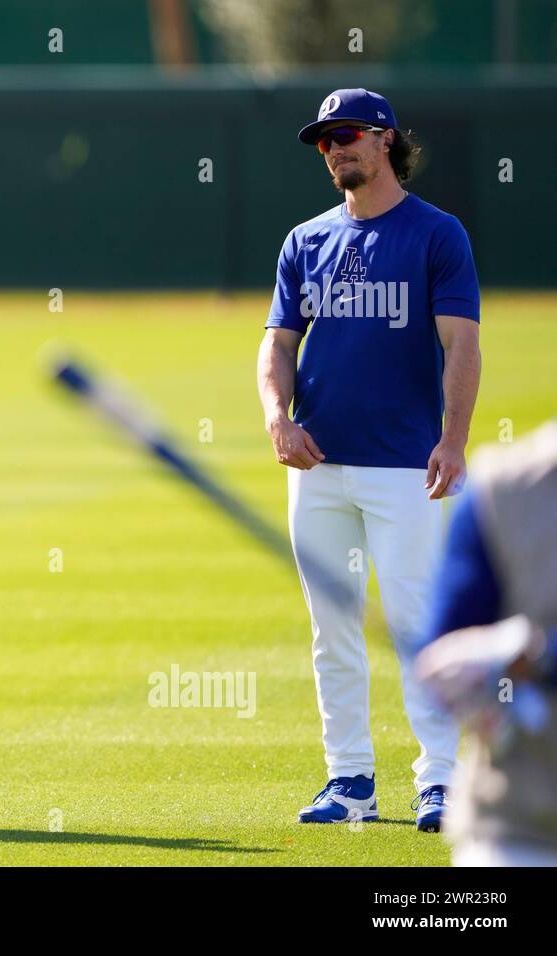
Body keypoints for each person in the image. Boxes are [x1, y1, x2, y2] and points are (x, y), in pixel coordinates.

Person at [255, 88, 481, 829]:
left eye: (347, 135)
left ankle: (441, 780)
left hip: (406, 467)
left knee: (419, 621)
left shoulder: (436, 234)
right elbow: (279, 344)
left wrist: (453, 437)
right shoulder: (304, 240)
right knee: (333, 628)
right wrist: (276, 419)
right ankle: (349, 779)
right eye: (324, 141)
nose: (335, 149)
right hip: (318, 466)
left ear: (386, 141)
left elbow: (462, 344)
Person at [415, 422, 557, 865]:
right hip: (520, 834)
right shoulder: (502, 488)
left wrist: (537, 653)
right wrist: (478, 681)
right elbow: (448, 647)